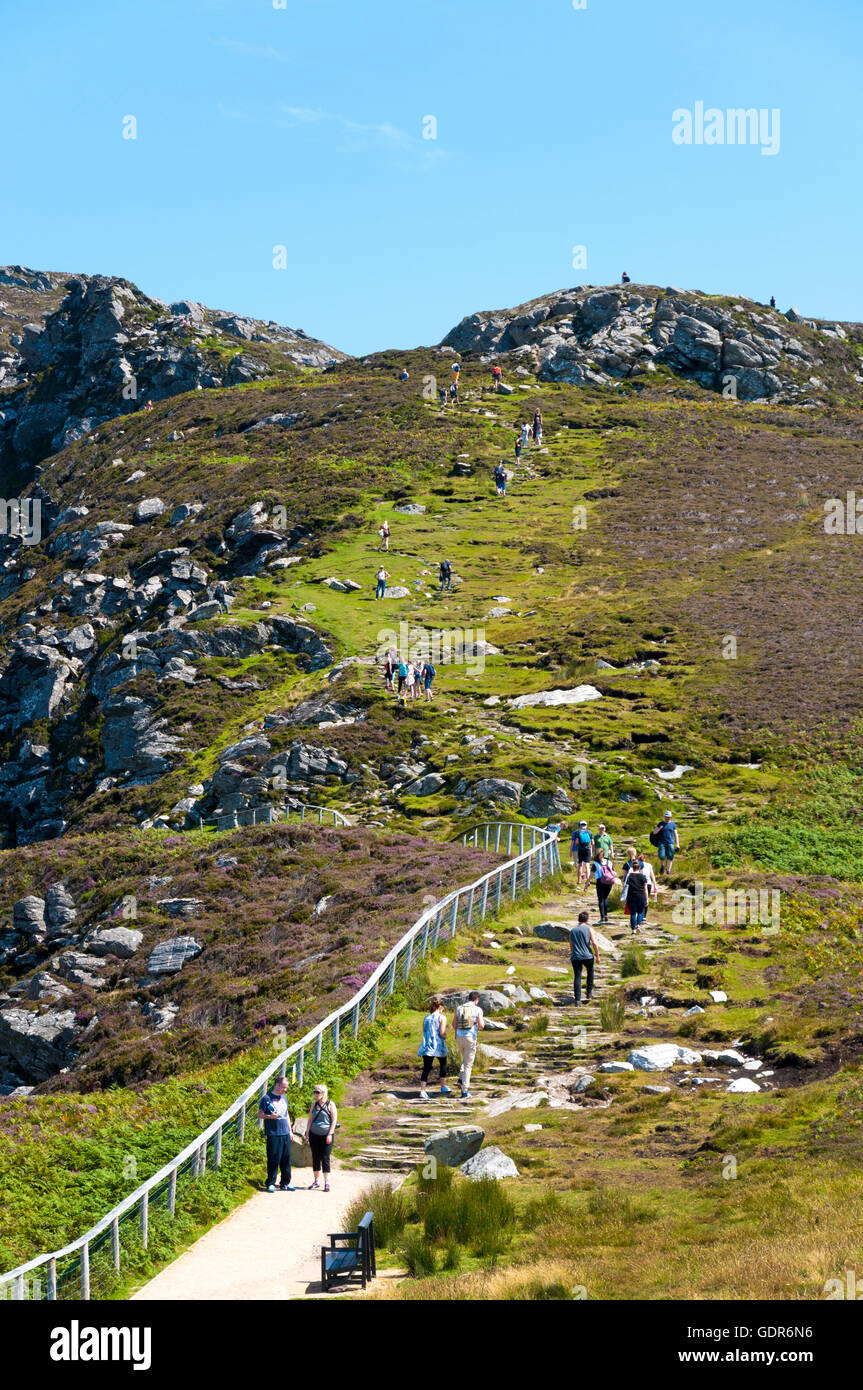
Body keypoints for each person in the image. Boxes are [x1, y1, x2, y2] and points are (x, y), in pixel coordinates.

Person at [257, 1076, 296, 1192]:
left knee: (286, 1159)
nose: (285, 1090)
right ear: (277, 1085)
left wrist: (290, 1131)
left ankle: (285, 1182)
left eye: (286, 1087)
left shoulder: (284, 1098)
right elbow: (259, 1114)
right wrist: (270, 1117)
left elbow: (287, 1114)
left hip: (285, 1132)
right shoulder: (266, 1098)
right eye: (283, 1087)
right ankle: (271, 1183)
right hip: (273, 1133)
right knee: (274, 1158)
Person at [305, 1084, 337, 1192]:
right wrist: (307, 1133)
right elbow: (310, 1120)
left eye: (317, 1092)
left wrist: (330, 1134)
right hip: (314, 1134)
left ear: (323, 1093)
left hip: (326, 1135)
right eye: (314, 1092)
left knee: (325, 1158)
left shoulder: (330, 1104)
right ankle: (316, 1181)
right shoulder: (314, 1105)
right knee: (315, 1158)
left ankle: (327, 1182)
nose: (315, 1094)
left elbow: (334, 1121)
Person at [417, 998, 451, 1100]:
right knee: (443, 1064)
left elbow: (424, 1031)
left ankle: (422, 1090)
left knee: (426, 1068)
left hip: (427, 1045)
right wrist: (445, 1036)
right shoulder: (442, 1017)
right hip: (438, 1045)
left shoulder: (426, 1017)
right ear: (440, 1007)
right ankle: (443, 1086)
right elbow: (442, 1032)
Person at [455, 991, 484, 1100]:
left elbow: (454, 1024)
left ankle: (460, 1079)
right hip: (470, 1037)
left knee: (465, 1060)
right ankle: (464, 1091)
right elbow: (481, 1025)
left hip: (459, 1037)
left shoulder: (459, 1008)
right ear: (476, 1000)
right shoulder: (477, 1009)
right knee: (468, 1065)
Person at [569, 910, 600, 1005]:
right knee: (590, 972)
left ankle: (577, 999)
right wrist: (597, 955)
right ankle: (589, 993)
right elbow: (594, 943)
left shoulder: (573, 931)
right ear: (587, 919)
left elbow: (571, 944)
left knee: (577, 976)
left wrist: (572, 953)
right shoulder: (589, 929)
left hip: (576, 956)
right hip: (587, 955)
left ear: (579, 919)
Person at [622, 858, 649, 933]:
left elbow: (626, 887)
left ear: (632, 867)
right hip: (641, 896)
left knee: (633, 913)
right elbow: (645, 889)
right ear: (639, 867)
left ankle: (633, 930)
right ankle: (638, 925)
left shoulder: (629, 876)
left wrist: (624, 897)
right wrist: (647, 899)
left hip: (631, 896)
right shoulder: (643, 877)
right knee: (640, 912)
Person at [592, 847, 617, 925]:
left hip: (600, 882)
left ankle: (602, 917)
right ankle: (606, 915)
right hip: (609, 882)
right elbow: (613, 872)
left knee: (601, 899)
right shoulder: (609, 862)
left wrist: (587, 883)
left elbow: (591, 874)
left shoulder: (595, 863)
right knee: (605, 898)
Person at [653, 809, 680, 876]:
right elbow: (654, 832)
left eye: (669, 817)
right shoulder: (660, 823)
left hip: (670, 843)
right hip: (662, 842)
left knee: (670, 857)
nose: (667, 818)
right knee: (662, 856)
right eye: (666, 817)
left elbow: (676, 834)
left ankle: (668, 871)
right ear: (664, 816)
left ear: (670, 817)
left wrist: (678, 844)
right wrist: (660, 828)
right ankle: (662, 866)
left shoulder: (673, 824)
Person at [570, 820, 593, 886]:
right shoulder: (590, 832)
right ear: (586, 825)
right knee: (587, 866)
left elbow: (576, 842)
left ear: (579, 825)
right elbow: (592, 843)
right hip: (587, 849)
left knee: (580, 865)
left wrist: (578, 846)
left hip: (580, 849)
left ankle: (579, 881)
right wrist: (591, 852)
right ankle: (588, 881)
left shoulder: (577, 832)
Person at [637, 851, 658, 918]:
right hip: (648, 883)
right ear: (644, 859)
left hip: (639, 884)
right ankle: (644, 916)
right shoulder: (649, 865)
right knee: (646, 899)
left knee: (639, 899)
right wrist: (655, 884)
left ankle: (640, 914)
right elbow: (652, 875)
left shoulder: (636, 864)